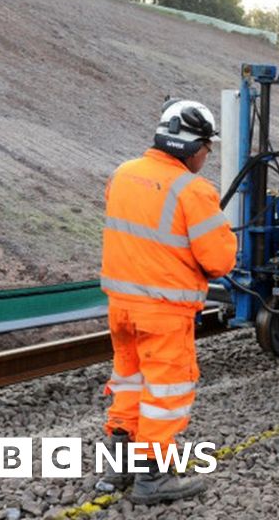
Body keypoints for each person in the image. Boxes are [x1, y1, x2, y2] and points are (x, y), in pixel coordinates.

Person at [98, 99, 237, 504]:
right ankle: (153, 477)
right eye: (208, 150)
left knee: (129, 382)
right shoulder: (193, 191)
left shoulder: (123, 175)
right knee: (165, 392)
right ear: (193, 147)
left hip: (121, 307)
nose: (207, 157)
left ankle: (118, 465)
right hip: (163, 312)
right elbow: (219, 260)